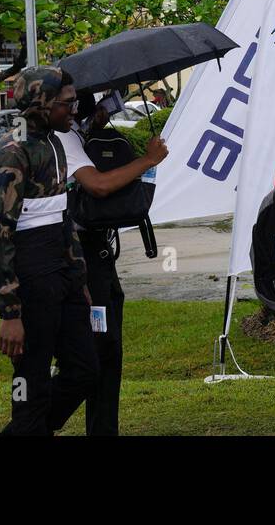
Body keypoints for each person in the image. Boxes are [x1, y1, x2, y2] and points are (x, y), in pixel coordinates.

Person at [0, 66, 99, 436]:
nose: (74, 110)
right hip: (31, 279)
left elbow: (63, 218)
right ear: (41, 104)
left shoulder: (54, 142)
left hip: (62, 275)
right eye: (67, 103)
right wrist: (10, 312)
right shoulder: (12, 153)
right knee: (29, 385)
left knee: (84, 370)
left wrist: (78, 278)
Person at [70, 89, 169, 435]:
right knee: (95, 354)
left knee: (106, 351)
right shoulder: (67, 139)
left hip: (97, 253)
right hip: (79, 258)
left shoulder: (82, 137)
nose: (107, 112)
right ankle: (37, 421)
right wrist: (147, 161)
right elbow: (98, 186)